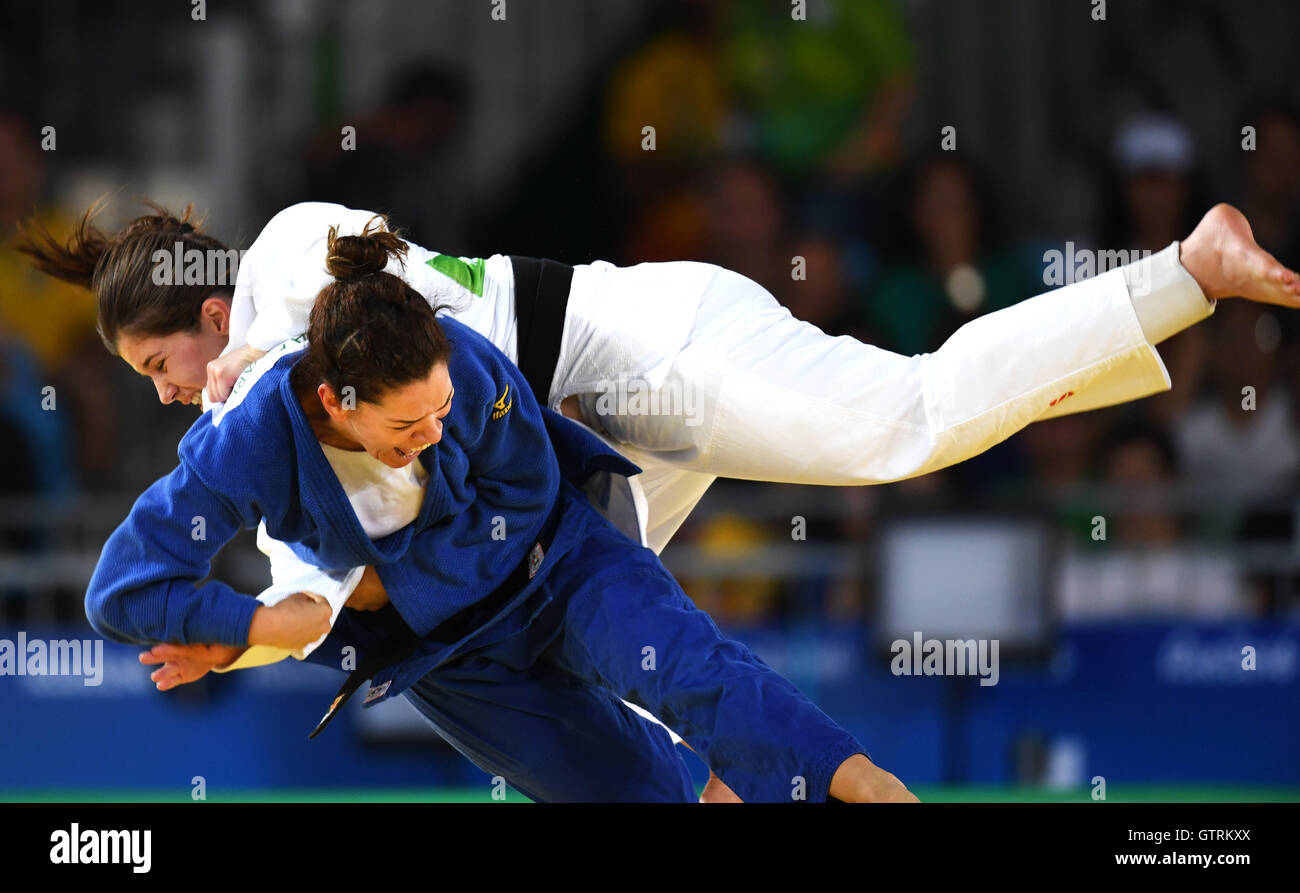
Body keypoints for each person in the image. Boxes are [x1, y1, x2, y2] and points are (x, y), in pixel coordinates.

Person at [85, 222, 910, 804]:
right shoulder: (245, 445)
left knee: (692, 671)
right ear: (341, 404)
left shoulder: (465, 363)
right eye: (408, 426)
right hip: (452, 657)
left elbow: (524, 495)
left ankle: (867, 785)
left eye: (440, 413)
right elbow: (141, 593)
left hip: (557, 559)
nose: (434, 433)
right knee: (627, 789)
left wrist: (396, 583)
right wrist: (235, 629)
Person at [18, 200, 1300, 557]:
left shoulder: (294, 251)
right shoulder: (277, 420)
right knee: (572, 667)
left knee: (909, 419)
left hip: (642, 350)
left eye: (155, 366)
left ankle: (1186, 266)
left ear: (206, 312)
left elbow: (328, 340)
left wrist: (244, 387)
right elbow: (323, 591)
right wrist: (217, 640)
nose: (166, 393)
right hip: (600, 443)